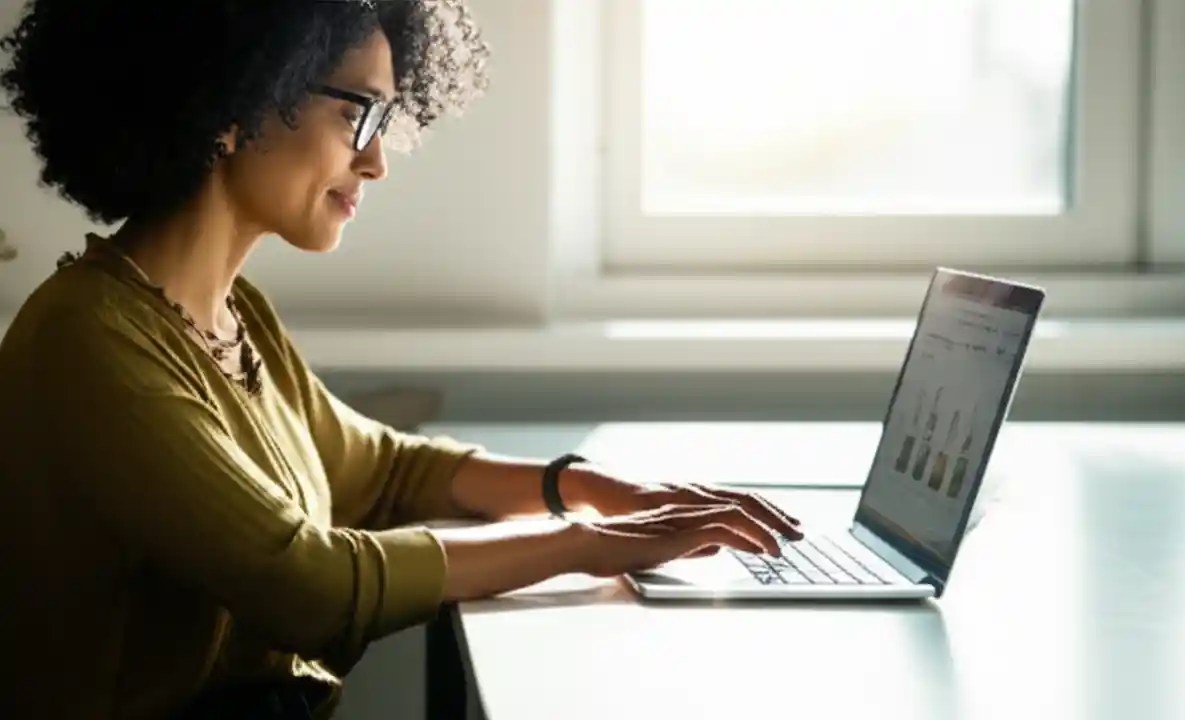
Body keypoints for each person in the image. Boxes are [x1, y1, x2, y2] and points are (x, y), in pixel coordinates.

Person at [0, 2, 803, 718]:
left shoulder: (229, 316)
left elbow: (382, 470)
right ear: (236, 102)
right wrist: (588, 540)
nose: (378, 159)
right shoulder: (90, 341)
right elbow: (308, 583)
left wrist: (581, 485)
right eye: (360, 115)